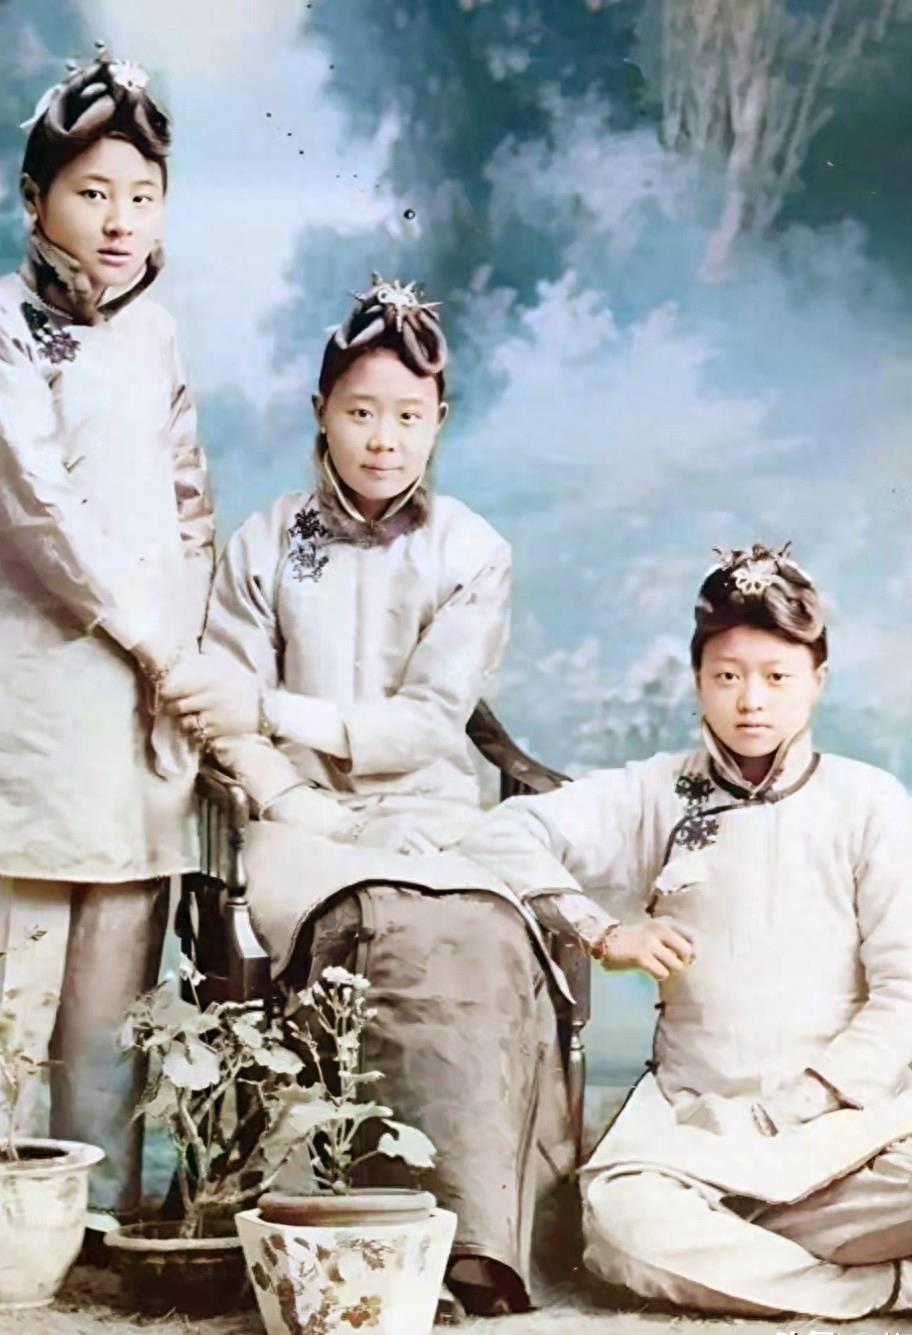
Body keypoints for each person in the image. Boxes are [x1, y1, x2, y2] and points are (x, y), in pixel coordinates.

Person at [162, 278, 570, 1315]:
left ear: (439, 421)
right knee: (375, 923)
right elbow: (222, 716)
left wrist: (271, 706)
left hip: (430, 813)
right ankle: (371, 1234)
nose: (383, 440)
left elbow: (429, 724)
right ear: (320, 413)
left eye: (407, 416)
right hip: (297, 822)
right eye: (360, 412)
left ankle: (467, 1244)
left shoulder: (472, 551)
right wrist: (287, 794)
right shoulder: (263, 542)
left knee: (477, 932)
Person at [455, 544, 912, 1320]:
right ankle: (901, 1285)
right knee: (624, 1227)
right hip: (695, 1117)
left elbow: (902, 995)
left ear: (817, 679)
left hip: (840, 1117)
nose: (750, 701)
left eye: (776, 676)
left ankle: (729, 1249)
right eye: (727, 675)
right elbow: (497, 834)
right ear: (698, 678)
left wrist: (801, 1103)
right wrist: (604, 931)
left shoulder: (868, 801)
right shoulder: (656, 790)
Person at [0, 46, 214, 1216]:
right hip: (29, 708)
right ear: (36, 200)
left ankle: (101, 1236)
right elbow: (41, 516)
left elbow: (189, 508)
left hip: (144, 713)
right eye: (93, 193)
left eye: (143, 195)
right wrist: (158, 646)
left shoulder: (157, 335)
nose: (121, 221)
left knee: (109, 1018)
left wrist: (190, 664)